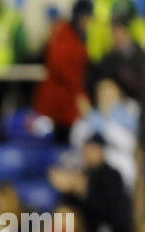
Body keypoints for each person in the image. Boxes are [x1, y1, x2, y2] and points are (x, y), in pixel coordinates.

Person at [33, 0, 93, 141]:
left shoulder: (80, 36)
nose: (87, 22)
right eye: (85, 17)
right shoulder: (65, 35)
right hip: (58, 104)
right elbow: (61, 67)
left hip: (69, 104)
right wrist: (79, 93)